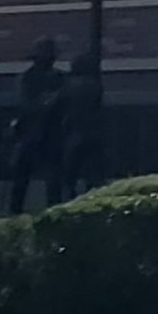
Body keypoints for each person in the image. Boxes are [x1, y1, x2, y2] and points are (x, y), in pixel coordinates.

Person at [4, 37, 64, 215]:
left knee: (52, 180)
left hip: (49, 134)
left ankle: (53, 212)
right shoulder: (28, 78)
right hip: (31, 134)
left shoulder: (58, 78)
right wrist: (46, 103)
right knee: (22, 179)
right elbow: (25, 105)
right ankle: (16, 213)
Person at [60, 44, 106, 203]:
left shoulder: (69, 85)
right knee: (93, 174)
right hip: (93, 133)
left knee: (70, 174)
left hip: (74, 132)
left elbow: (60, 104)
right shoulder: (95, 85)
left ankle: (69, 200)